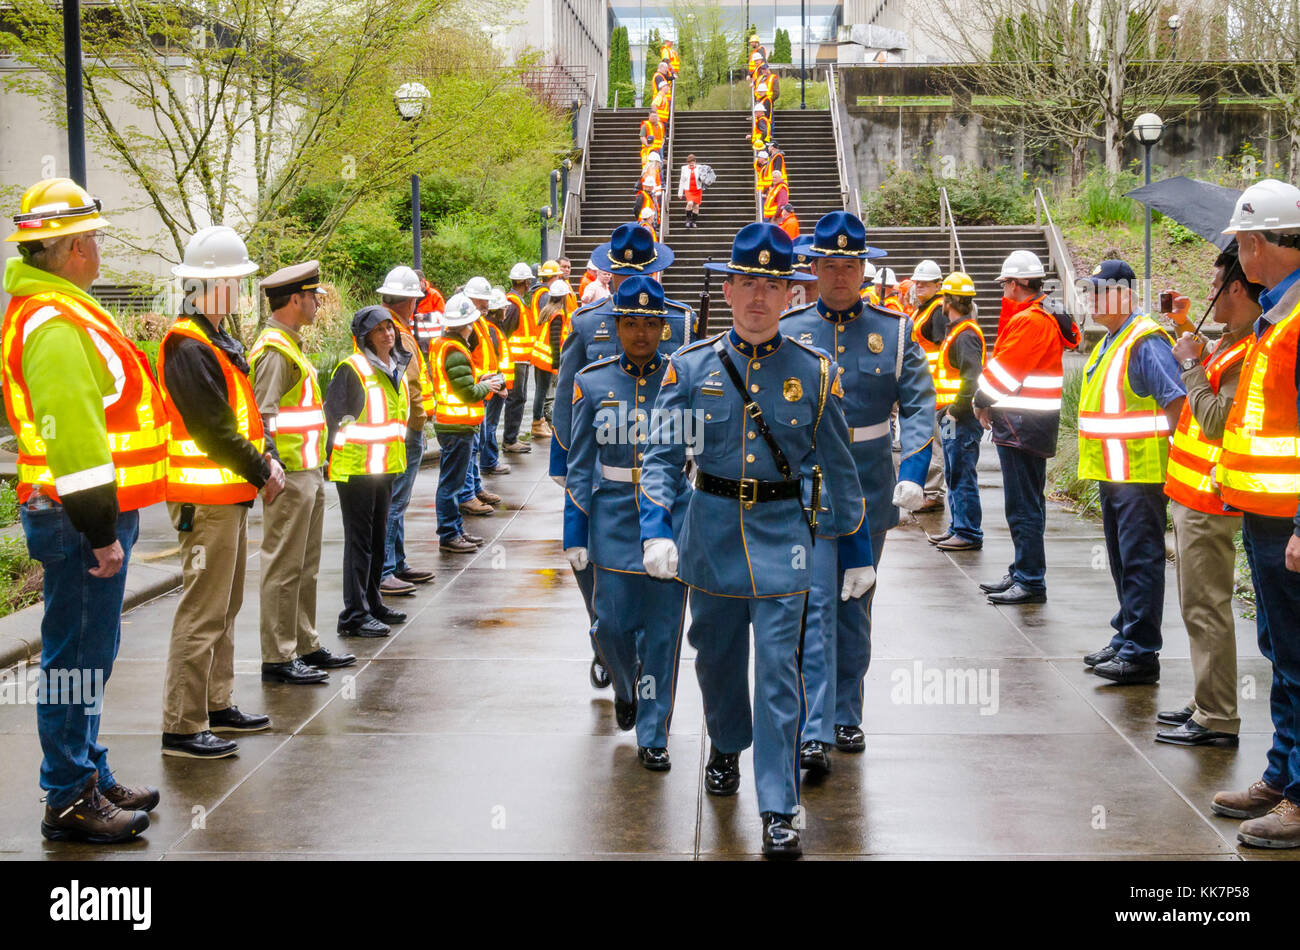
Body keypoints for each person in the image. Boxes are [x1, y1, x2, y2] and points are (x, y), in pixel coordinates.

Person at [638, 222, 877, 860]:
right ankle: (725, 739)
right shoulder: (690, 369)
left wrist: (855, 551)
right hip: (710, 531)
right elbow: (661, 456)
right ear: (728, 286)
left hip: (785, 539)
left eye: (771, 285)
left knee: (779, 671)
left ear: (788, 293)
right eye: (747, 282)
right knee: (716, 661)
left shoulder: (815, 371)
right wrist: (657, 528)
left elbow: (839, 467)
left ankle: (779, 805)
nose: (758, 298)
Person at [3, 178, 161, 841]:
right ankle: (68, 797)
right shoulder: (53, 323)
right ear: (70, 250)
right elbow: (75, 437)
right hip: (79, 519)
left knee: (91, 652)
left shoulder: (62, 312)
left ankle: (85, 772)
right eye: (93, 239)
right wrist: (101, 531)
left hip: (81, 513)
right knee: (74, 659)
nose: (99, 251)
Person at [782, 212, 933, 773]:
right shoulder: (792, 329)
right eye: (831, 264)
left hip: (868, 488)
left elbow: (919, 403)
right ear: (814, 267)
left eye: (851, 264)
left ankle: (847, 710)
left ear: (864, 269)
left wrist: (913, 468)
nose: (841, 274)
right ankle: (809, 718)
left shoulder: (893, 332)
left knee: (854, 602)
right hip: (802, 487)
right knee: (805, 603)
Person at [549, 224, 694, 693]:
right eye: (621, 269)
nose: (629, 276)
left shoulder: (682, 322)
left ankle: (638, 674)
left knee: (658, 585)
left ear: (656, 269)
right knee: (597, 577)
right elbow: (568, 397)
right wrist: (565, 466)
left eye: (641, 268)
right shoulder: (589, 321)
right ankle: (607, 647)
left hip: (663, 459)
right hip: (601, 466)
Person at [157, 225, 281, 760]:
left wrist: (265, 457)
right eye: (235, 281)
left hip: (224, 497)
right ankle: (183, 725)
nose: (242, 291)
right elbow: (212, 429)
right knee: (204, 609)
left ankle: (216, 702)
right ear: (212, 284)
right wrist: (264, 469)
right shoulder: (189, 345)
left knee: (224, 605)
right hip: (205, 500)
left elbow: (242, 416)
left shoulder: (214, 340)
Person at [563, 276, 688, 771]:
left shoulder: (685, 378)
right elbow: (579, 463)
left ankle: (653, 732)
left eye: (650, 323)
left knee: (662, 634)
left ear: (664, 328)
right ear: (615, 326)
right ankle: (623, 681)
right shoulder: (592, 382)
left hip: (672, 512)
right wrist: (575, 531)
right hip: (613, 513)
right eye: (630, 322)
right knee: (610, 625)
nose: (640, 332)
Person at [1211, 179, 1300, 848]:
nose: (1239, 255)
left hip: (1290, 523)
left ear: (1265, 242)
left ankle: (1299, 794)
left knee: (1299, 656)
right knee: (1281, 651)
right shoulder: (1278, 314)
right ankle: (1282, 775)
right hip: (1266, 517)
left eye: (1244, 241)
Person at [1155, 245, 1262, 747]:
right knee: (1196, 607)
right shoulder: (1231, 339)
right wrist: (1186, 332)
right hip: (1192, 498)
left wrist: (1192, 366)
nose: (1210, 294)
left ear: (1237, 289)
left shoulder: (1248, 351)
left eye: (1216, 285)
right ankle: (1206, 701)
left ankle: (1217, 717)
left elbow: (1218, 421)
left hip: (1211, 503)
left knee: (1207, 608)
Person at [1077, 259, 1186, 684]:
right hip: (1117, 472)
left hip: (1141, 474)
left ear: (1123, 295)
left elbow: (1176, 401)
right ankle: (1127, 635)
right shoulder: (1114, 339)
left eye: (1099, 291)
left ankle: (1141, 653)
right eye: (1089, 291)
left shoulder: (1145, 341)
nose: (1091, 299)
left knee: (1141, 561)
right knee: (1124, 561)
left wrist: (1180, 462)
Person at [249, 261, 355, 686]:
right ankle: (279, 655)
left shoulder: (289, 344)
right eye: (313, 296)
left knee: (305, 565)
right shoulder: (275, 351)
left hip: (305, 471)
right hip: (288, 475)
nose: (317, 303)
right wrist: (272, 465)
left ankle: (304, 642)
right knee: (283, 567)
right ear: (295, 299)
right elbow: (261, 416)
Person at [973, 249, 1081, 604]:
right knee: (1027, 503)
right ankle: (1023, 571)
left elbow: (1005, 372)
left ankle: (1031, 579)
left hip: (1021, 425)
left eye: (1006, 282)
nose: (1003, 287)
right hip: (1029, 424)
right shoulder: (1043, 315)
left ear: (1019, 283)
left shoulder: (1031, 321)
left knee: (1023, 507)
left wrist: (980, 401)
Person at [324, 306, 411, 637]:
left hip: (384, 466)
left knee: (376, 539)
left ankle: (372, 603)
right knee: (359, 542)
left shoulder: (393, 365)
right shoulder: (353, 368)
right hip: (357, 469)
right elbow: (332, 417)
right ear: (365, 337)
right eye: (380, 330)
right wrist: (333, 458)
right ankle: (355, 614)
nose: (388, 334)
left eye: (390, 328)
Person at [375, 266, 438, 599]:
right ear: (409, 302)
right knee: (396, 501)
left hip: (396, 425)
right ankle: (386, 569)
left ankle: (396, 563)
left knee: (396, 499)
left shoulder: (384, 328)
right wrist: (419, 422)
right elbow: (412, 385)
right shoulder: (396, 332)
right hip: (405, 427)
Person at [430, 294, 504, 553]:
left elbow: (461, 382)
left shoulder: (448, 346)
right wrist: (488, 385)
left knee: (453, 481)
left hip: (455, 424)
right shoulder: (455, 350)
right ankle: (450, 533)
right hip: (456, 426)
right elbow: (467, 392)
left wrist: (482, 380)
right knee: (451, 484)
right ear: (466, 325)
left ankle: (455, 530)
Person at [926, 272, 986, 550]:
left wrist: (955, 409)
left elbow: (972, 378)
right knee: (953, 472)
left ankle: (968, 532)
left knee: (961, 473)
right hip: (951, 416)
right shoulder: (958, 332)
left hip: (958, 418)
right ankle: (958, 527)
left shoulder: (965, 336)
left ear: (947, 302)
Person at [457, 278, 506, 518]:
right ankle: (468, 495)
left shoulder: (479, 322)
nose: (488, 304)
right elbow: (465, 362)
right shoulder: (469, 323)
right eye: (484, 300)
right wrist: (484, 380)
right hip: (475, 390)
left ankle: (474, 489)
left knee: (476, 444)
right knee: (471, 445)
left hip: (483, 389)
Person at [908, 259, 948, 511]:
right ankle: (927, 490)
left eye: (925, 282)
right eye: (917, 282)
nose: (919, 285)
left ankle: (933, 494)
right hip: (921, 384)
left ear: (938, 285)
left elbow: (943, 349)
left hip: (934, 387)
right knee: (924, 438)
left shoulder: (938, 312)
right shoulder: (924, 309)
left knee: (934, 442)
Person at [502, 261, 537, 453]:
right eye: (528, 281)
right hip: (516, 361)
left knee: (519, 398)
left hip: (520, 360)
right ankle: (510, 440)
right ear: (524, 282)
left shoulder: (515, 303)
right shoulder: (513, 304)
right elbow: (504, 333)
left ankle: (511, 438)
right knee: (516, 399)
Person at [413, 269, 445, 354]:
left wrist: (425, 316)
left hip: (431, 343)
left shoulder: (434, 295)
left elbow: (442, 316)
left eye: (416, 283)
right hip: (415, 342)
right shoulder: (411, 296)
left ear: (423, 281)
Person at [678, 153, 704, 229]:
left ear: (695, 161)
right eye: (689, 163)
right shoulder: (684, 168)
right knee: (690, 203)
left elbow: (704, 177)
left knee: (696, 206)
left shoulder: (700, 167)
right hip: (688, 189)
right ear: (687, 163)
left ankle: (693, 222)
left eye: (692, 163)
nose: (691, 165)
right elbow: (682, 181)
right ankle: (688, 220)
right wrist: (680, 192)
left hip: (697, 189)